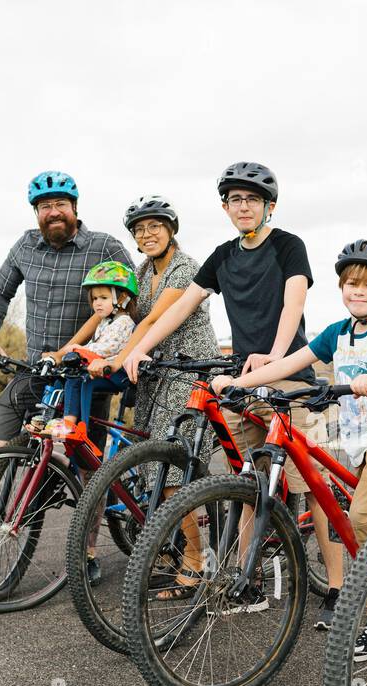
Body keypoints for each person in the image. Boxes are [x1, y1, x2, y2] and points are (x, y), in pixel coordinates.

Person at [122, 162, 326, 613]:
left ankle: (336, 586)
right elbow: (181, 307)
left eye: (252, 199)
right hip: (243, 382)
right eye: (235, 200)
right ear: (225, 208)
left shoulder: (289, 245)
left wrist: (275, 356)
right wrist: (141, 348)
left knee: (311, 486)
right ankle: (248, 582)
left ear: (269, 206)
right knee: (248, 484)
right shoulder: (223, 256)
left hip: (287, 377)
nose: (244, 206)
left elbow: (293, 303)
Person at [211, 239, 367, 633]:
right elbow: (289, 363)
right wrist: (238, 384)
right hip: (360, 442)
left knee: (361, 517)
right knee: (356, 525)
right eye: (351, 284)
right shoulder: (336, 333)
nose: (358, 291)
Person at [0, 170, 135, 448]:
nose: (54, 212)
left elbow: (134, 298)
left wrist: (124, 356)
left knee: (86, 462)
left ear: (74, 207)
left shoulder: (104, 246)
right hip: (38, 368)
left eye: (61, 204)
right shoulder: (25, 246)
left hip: (85, 374)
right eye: (45, 206)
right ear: (36, 212)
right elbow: (0, 293)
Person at [112, 195, 219, 597]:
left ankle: (197, 558)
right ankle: (173, 549)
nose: (147, 234)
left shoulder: (186, 268)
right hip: (155, 373)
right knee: (150, 466)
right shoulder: (140, 272)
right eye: (139, 229)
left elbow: (155, 319)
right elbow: (125, 317)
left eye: (154, 226)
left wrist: (118, 360)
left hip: (190, 371)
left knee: (170, 469)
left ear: (171, 229)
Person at [32, 261, 138, 441]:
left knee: (77, 378)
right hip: (99, 369)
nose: (97, 303)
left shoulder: (124, 322)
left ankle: (71, 425)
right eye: (95, 299)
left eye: (103, 298)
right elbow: (94, 346)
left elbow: (106, 348)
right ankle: (48, 416)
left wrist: (78, 349)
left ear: (121, 299)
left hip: (117, 373)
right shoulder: (106, 322)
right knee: (62, 376)